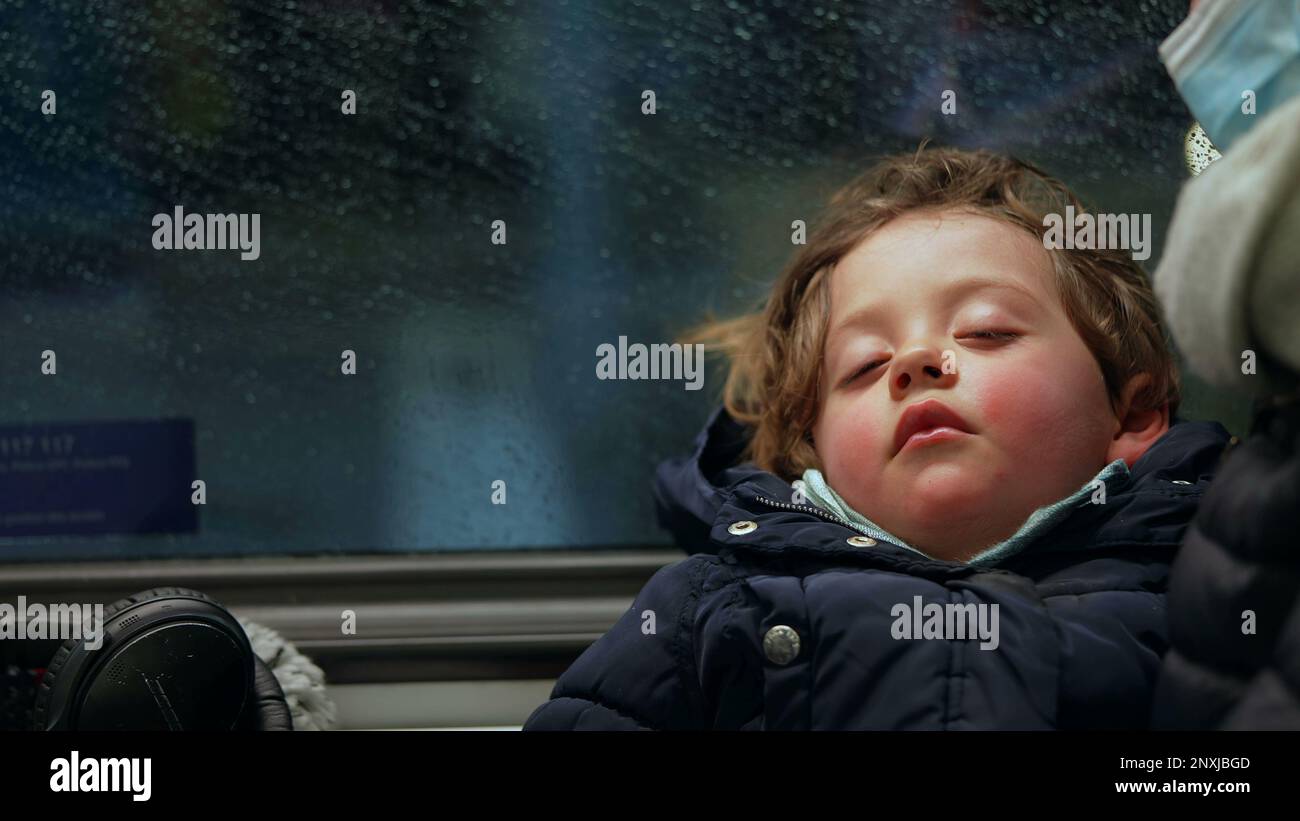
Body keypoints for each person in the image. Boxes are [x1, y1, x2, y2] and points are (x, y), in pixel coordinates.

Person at [523, 146, 1231, 730]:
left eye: (986, 330)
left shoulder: (1208, 592)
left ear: (1131, 416)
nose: (915, 363)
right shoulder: (715, 608)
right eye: (864, 364)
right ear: (811, 453)